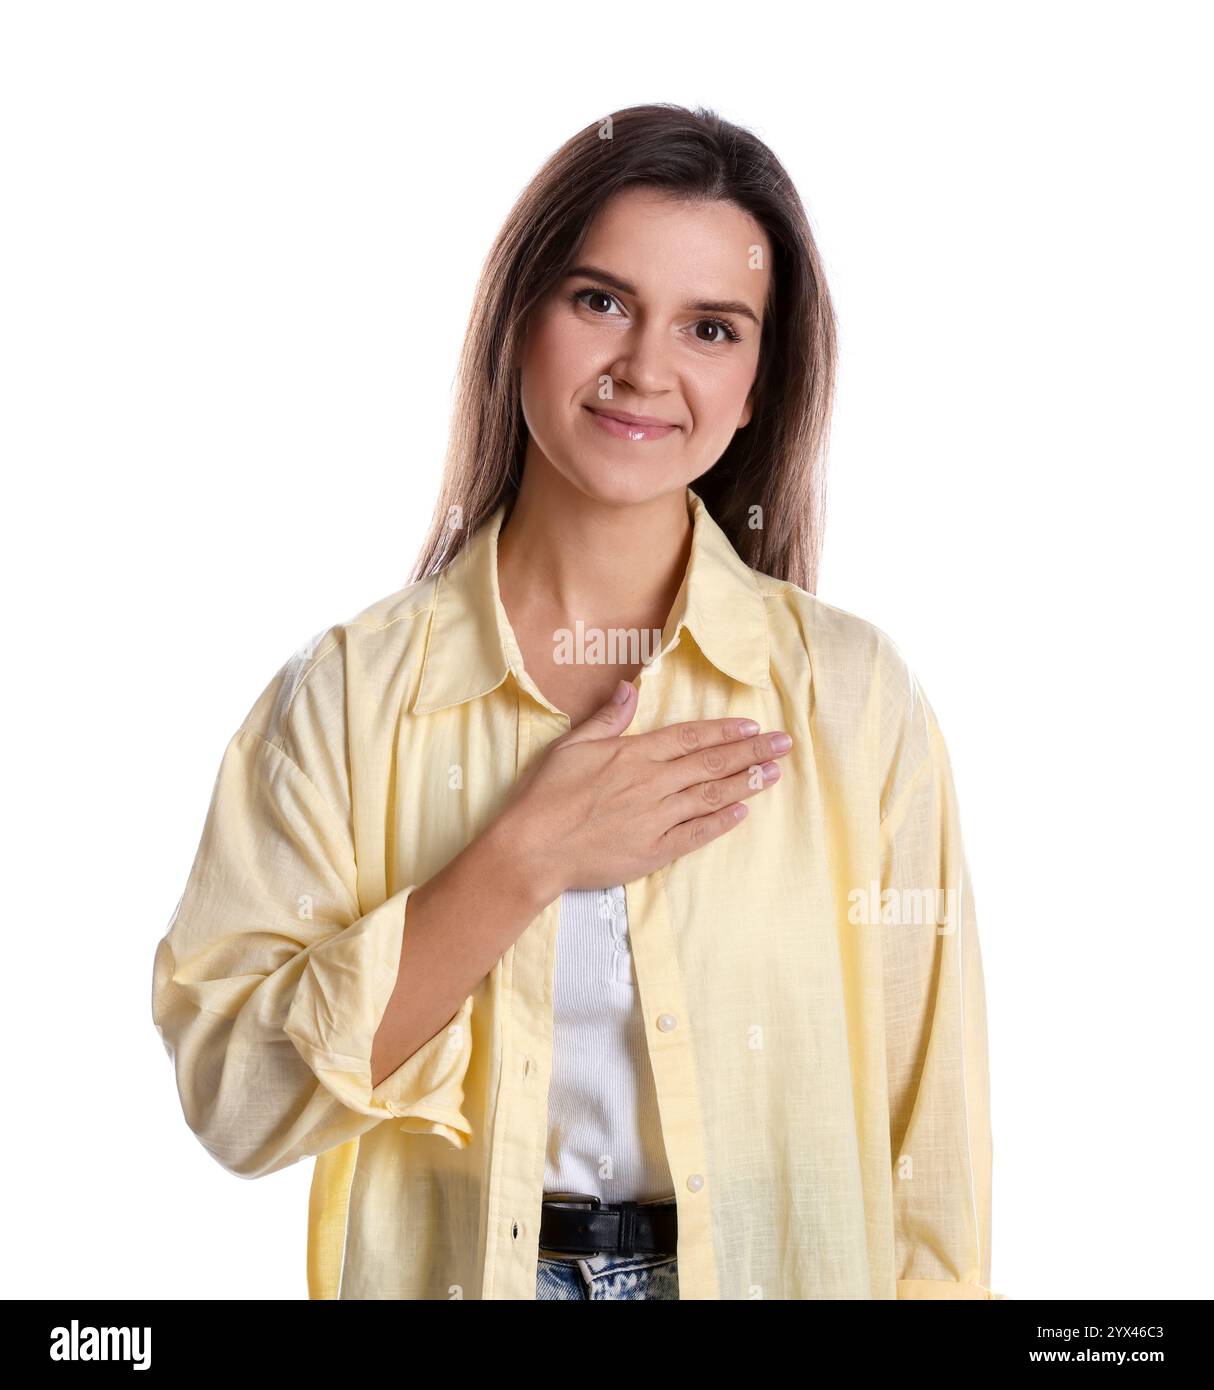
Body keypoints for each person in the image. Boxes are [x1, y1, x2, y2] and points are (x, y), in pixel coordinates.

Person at [151, 102, 1001, 1301]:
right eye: (600, 300)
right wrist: (517, 859)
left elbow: (933, 1157)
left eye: (711, 327)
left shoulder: (854, 703)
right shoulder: (346, 699)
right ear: (517, 321)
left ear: (760, 383)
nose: (646, 369)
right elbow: (235, 1096)